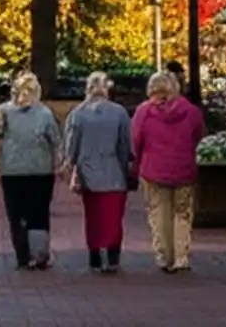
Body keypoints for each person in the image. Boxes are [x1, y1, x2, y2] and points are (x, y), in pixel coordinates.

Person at [132, 70, 206, 273]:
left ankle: (164, 255)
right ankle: (181, 256)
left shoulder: (144, 112)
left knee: (159, 213)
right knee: (182, 213)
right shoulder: (190, 111)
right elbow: (198, 134)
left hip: (153, 170)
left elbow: (136, 141)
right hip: (183, 169)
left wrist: (136, 166)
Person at [0, 72, 60, 270]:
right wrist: (59, 163)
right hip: (41, 170)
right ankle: (40, 254)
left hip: (12, 170)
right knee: (39, 213)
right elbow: (55, 140)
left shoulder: (3, 112)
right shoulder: (45, 113)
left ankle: (22, 255)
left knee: (16, 214)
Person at [66, 71, 133, 274]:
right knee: (113, 216)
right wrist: (126, 167)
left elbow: (72, 146)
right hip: (114, 172)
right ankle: (112, 255)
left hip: (88, 173)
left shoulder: (78, 113)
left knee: (93, 216)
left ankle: (94, 255)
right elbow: (125, 145)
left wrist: (71, 165)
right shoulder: (120, 112)